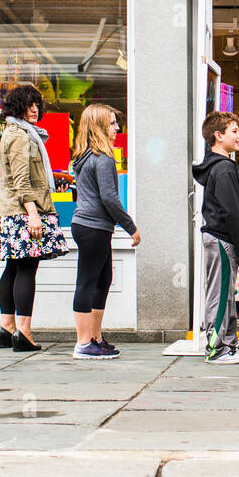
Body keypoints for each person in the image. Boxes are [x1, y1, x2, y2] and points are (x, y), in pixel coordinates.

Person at [0, 84, 69, 351]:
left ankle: (7, 327)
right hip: (23, 213)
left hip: (10, 211)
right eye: (28, 104)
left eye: (37, 104)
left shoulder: (14, 133)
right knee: (26, 268)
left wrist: (52, 179)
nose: (34, 109)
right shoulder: (22, 136)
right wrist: (34, 214)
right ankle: (23, 332)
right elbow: (21, 180)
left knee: (12, 267)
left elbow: (22, 176)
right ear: (17, 106)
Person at [69, 103, 140, 359]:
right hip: (93, 226)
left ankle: (95, 337)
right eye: (111, 123)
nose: (116, 128)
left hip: (88, 225)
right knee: (88, 282)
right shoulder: (103, 158)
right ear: (98, 126)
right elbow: (109, 198)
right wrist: (131, 227)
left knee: (102, 280)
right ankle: (83, 342)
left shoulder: (86, 156)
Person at [191, 111, 239, 364]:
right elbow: (232, 211)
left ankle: (228, 344)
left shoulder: (220, 166)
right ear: (219, 136)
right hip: (222, 238)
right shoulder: (224, 169)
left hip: (219, 238)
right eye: (234, 131)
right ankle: (216, 349)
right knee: (219, 294)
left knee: (225, 293)